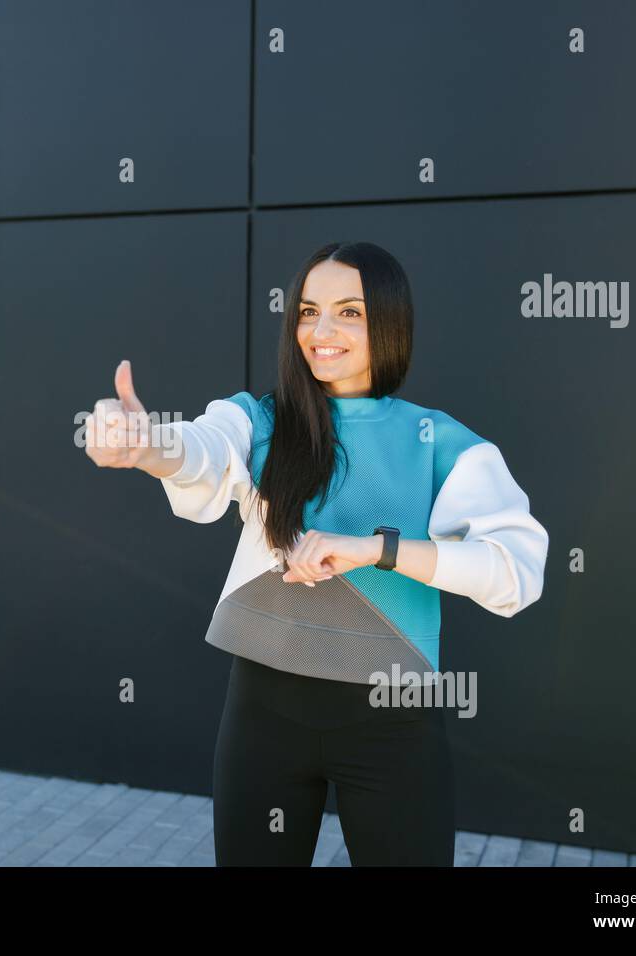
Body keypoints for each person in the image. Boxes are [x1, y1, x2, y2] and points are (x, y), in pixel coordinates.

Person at [84, 241, 548, 866]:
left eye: (348, 312)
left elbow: (515, 574)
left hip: (393, 723)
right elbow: (203, 450)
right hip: (264, 715)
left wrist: (376, 550)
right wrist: (146, 446)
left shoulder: (442, 442)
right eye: (307, 311)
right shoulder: (261, 421)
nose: (321, 331)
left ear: (388, 321)